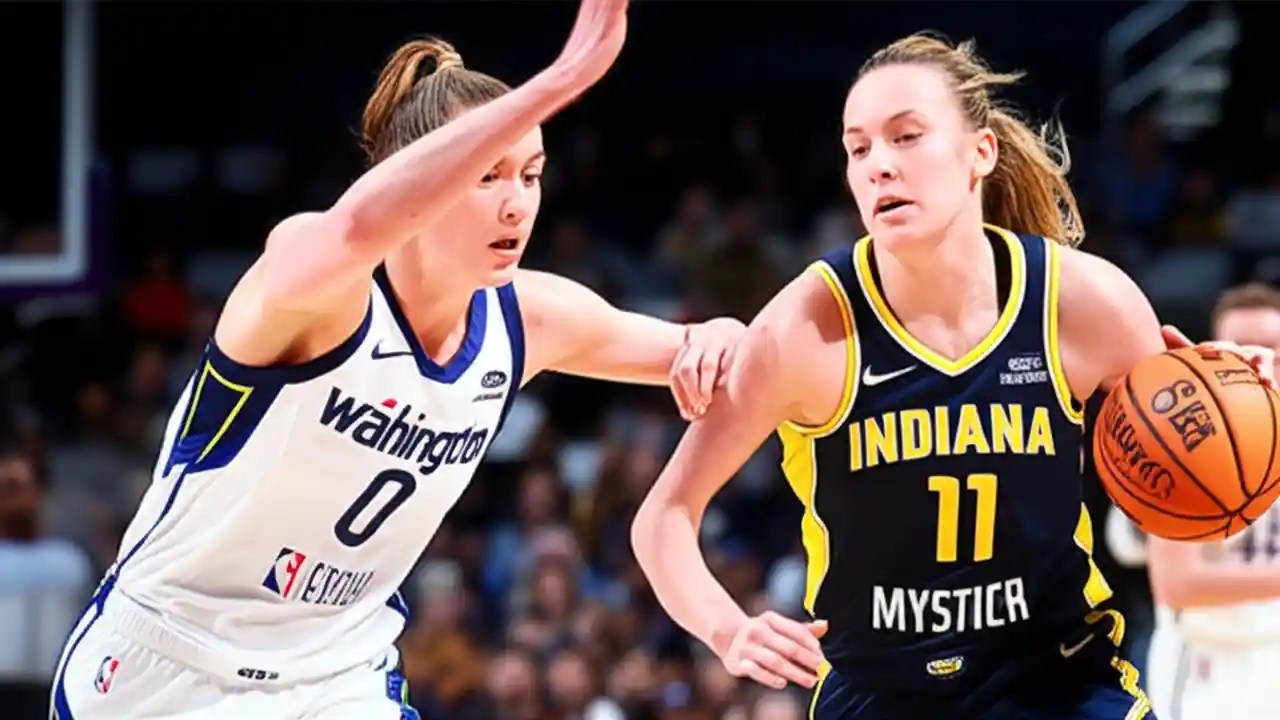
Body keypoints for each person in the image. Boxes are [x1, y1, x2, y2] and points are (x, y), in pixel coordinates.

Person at [47, 1, 734, 717]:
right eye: (487, 176)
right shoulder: (315, 283)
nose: (517, 205)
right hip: (170, 662)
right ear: (421, 179)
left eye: (530, 175)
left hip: (338, 672)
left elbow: (709, 354)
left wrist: (715, 334)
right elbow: (354, 226)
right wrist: (559, 79)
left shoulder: (524, 319)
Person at [632, 34, 1274, 719]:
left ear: (981, 153)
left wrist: (1243, 401)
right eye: (859, 148)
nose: (880, 165)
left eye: (907, 137)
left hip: (1056, 677)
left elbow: (1184, 445)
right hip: (882, 690)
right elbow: (663, 517)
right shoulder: (804, 331)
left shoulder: (1085, 305)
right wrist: (728, 630)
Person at [1144, 283, 1280, 720]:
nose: (1256, 358)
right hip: (1208, 664)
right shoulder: (1183, 442)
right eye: (1240, 346)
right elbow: (1176, 584)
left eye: (1271, 345)